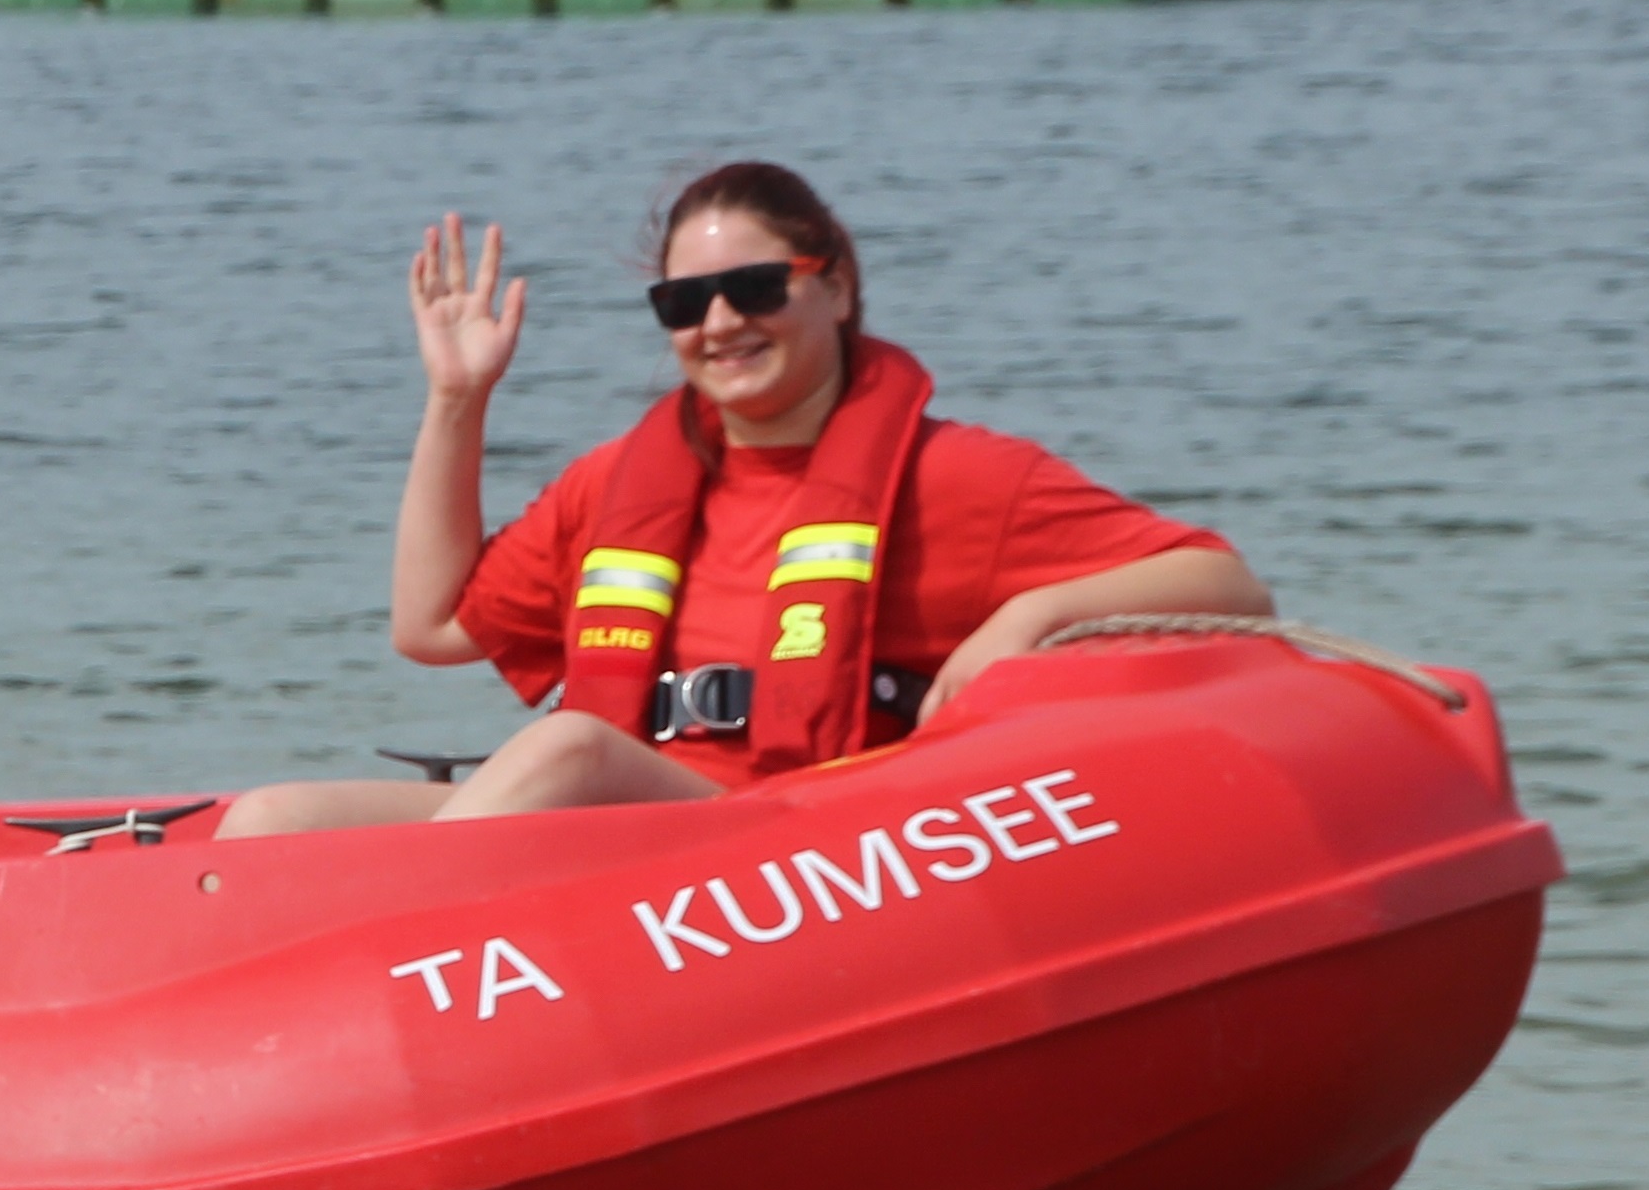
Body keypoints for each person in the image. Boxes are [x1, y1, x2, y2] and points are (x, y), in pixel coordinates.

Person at [217, 163, 1268, 838]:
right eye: (684, 302)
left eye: (756, 289)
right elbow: (433, 624)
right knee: (270, 821)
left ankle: (387, 955)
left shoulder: (956, 478)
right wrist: (457, 397)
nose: (719, 323)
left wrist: (1025, 617)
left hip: (790, 849)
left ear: (837, 287)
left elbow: (1226, 583)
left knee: (567, 749)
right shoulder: (618, 488)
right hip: (610, 844)